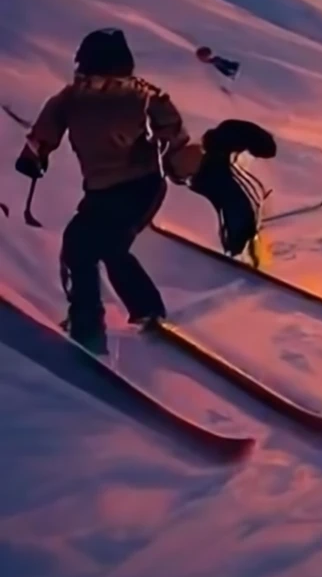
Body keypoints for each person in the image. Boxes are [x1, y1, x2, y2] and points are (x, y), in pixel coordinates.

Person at [14, 29, 202, 352]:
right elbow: (46, 129)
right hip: (101, 190)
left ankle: (129, 315)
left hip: (140, 186)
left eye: (106, 77)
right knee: (78, 246)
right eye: (90, 75)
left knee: (105, 245)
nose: (96, 82)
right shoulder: (71, 99)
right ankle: (95, 321)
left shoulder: (144, 98)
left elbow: (174, 137)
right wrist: (34, 155)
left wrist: (182, 166)